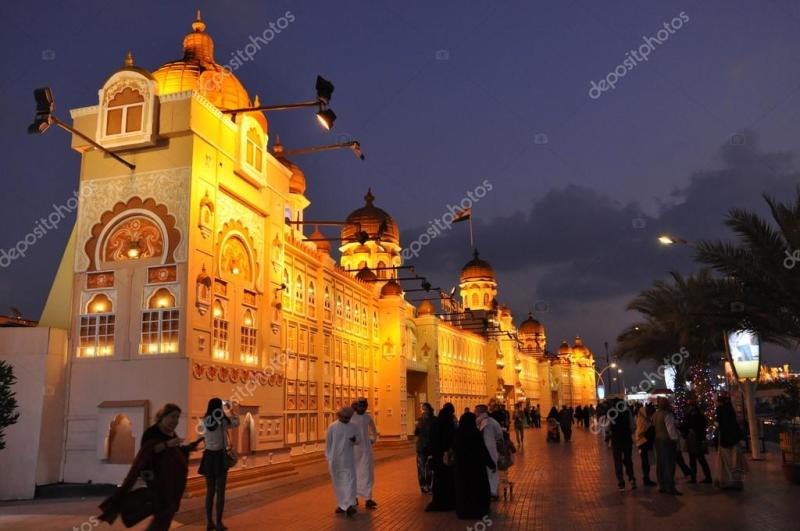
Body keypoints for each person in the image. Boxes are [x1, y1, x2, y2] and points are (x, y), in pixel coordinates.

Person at [99, 403, 201, 530]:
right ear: (163, 417)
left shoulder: (171, 433)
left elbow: (175, 452)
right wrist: (167, 444)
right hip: (156, 479)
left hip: (171, 479)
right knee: (163, 510)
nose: (175, 421)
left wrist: (188, 448)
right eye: (172, 416)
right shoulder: (152, 432)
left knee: (166, 512)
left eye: (177, 417)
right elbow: (147, 452)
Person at [198, 398, 239, 531]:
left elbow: (202, 435)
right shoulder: (222, 421)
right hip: (220, 457)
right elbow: (236, 422)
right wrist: (231, 410)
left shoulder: (203, 421)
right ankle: (219, 523)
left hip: (208, 457)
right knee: (220, 492)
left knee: (210, 491)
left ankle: (209, 522)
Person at [453, 412, 496, 520]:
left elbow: (455, 450)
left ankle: (464, 510)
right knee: (477, 488)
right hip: (476, 468)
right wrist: (490, 463)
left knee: (464, 489)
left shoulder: (458, 434)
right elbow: (482, 450)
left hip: (462, 468)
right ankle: (478, 509)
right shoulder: (475, 433)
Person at [326, 406, 360, 516]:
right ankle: (342, 505)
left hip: (349, 459)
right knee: (339, 483)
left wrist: (355, 440)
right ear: (339, 416)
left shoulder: (354, 426)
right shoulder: (332, 427)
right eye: (344, 417)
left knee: (350, 481)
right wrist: (329, 458)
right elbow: (328, 444)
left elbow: (359, 439)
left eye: (348, 418)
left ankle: (350, 505)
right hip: (335, 460)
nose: (346, 420)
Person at [425, 403, 457, 512]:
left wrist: (432, 454)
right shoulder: (449, 423)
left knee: (438, 480)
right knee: (448, 480)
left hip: (437, 457)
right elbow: (452, 440)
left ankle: (438, 500)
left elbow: (431, 440)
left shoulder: (436, 423)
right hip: (447, 458)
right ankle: (449, 501)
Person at [351, 397, 379, 508]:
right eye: (360, 406)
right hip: (354, 450)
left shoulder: (367, 417)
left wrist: (372, 440)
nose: (362, 408)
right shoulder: (352, 417)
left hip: (366, 450)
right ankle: (354, 497)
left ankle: (368, 498)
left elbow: (373, 430)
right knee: (354, 474)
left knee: (367, 473)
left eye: (364, 406)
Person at [652, 397, 682, 495]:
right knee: (669, 464)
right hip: (667, 442)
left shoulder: (655, 415)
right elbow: (671, 431)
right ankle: (670, 486)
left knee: (660, 463)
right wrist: (676, 442)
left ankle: (662, 485)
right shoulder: (667, 415)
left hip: (657, 440)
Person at [715, 393, 745, 490]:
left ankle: (728, 481)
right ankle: (737, 482)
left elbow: (720, 423)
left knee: (726, 460)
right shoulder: (730, 409)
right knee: (735, 461)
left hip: (725, 439)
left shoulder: (720, 410)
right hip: (734, 439)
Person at [607, 399, 636, 491]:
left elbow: (608, 428)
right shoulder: (627, 412)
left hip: (616, 441)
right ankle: (631, 479)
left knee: (617, 461)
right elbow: (632, 427)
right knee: (628, 460)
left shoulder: (611, 413)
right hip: (626, 439)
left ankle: (621, 483)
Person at [475, 404, 503, 499]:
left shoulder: (477, 423)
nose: (475, 413)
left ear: (479, 412)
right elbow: (500, 436)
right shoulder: (493, 422)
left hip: (483, 450)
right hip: (491, 450)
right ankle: (493, 491)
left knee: (487, 471)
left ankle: (489, 491)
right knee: (492, 470)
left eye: (476, 411)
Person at [682, 400, 712, 484]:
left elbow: (702, 428)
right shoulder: (688, 416)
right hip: (691, 439)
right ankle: (693, 478)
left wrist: (702, 438)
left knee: (701, 459)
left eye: (691, 406)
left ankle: (708, 477)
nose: (690, 407)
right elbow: (684, 426)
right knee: (692, 460)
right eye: (689, 406)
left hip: (698, 439)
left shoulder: (699, 417)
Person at [414, 402, 435, 493]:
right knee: (421, 468)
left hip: (431, 447)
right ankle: (423, 486)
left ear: (430, 410)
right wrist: (417, 427)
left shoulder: (434, 420)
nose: (424, 411)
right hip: (421, 447)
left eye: (425, 409)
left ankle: (430, 486)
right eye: (422, 409)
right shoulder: (419, 420)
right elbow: (416, 433)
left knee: (430, 468)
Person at [635, 403, 657, 486]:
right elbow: (641, 432)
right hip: (643, 443)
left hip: (643, 443)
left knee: (646, 461)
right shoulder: (643, 421)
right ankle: (646, 479)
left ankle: (646, 478)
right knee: (645, 461)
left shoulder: (643, 419)